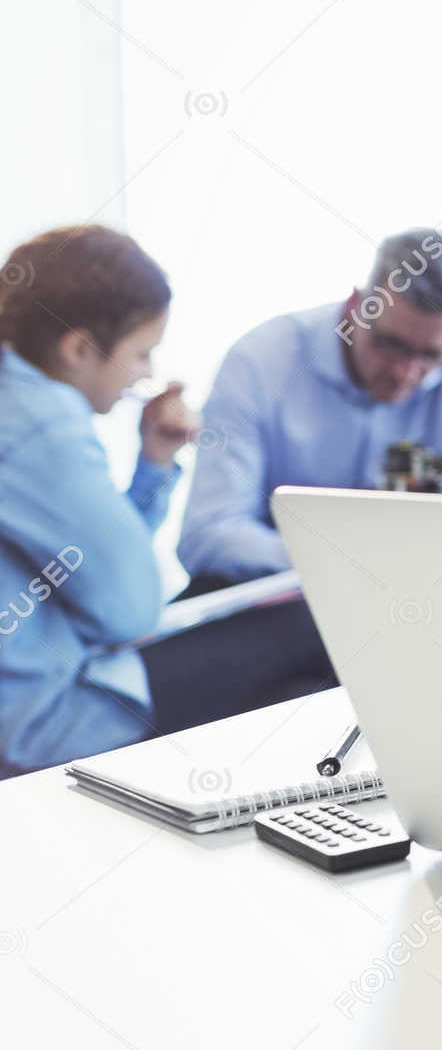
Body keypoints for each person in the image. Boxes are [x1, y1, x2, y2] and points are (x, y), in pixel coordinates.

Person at [178, 227, 442, 589]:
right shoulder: (260, 362)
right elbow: (208, 535)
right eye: (391, 344)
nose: (405, 373)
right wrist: (345, 566)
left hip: (425, 594)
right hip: (286, 593)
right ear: (356, 307)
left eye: (430, 356)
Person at [0, 225, 200, 772]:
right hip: (47, 728)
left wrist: (154, 462)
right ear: (78, 349)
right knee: (295, 645)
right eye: (142, 352)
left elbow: (85, 569)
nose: (149, 373)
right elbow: (132, 611)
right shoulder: (39, 426)